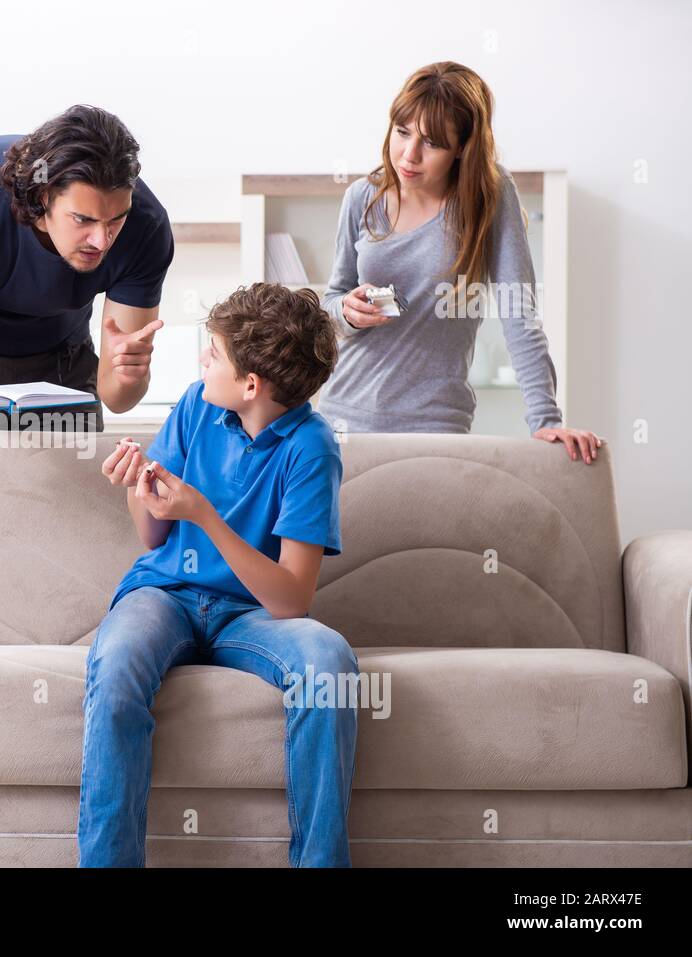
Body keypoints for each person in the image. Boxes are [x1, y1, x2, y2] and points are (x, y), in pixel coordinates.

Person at [79, 282, 360, 867]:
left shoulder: (312, 448)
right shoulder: (196, 405)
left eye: (213, 355)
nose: (201, 363)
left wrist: (203, 515)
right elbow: (153, 534)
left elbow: (291, 601)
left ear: (251, 385)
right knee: (118, 659)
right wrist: (142, 487)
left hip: (253, 616)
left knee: (328, 660)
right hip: (165, 594)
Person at [319, 61, 602, 464]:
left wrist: (545, 418)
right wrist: (347, 311)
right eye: (402, 132)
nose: (409, 154)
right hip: (343, 416)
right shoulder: (362, 197)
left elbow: (518, 312)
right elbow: (332, 302)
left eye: (432, 143)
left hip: (434, 424)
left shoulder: (488, 196)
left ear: (462, 149)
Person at [0, 104, 174, 431]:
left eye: (116, 219)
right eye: (82, 220)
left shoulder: (146, 227)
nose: (102, 241)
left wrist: (130, 373)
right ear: (43, 197)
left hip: (62, 352)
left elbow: (117, 398)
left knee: (71, 479)